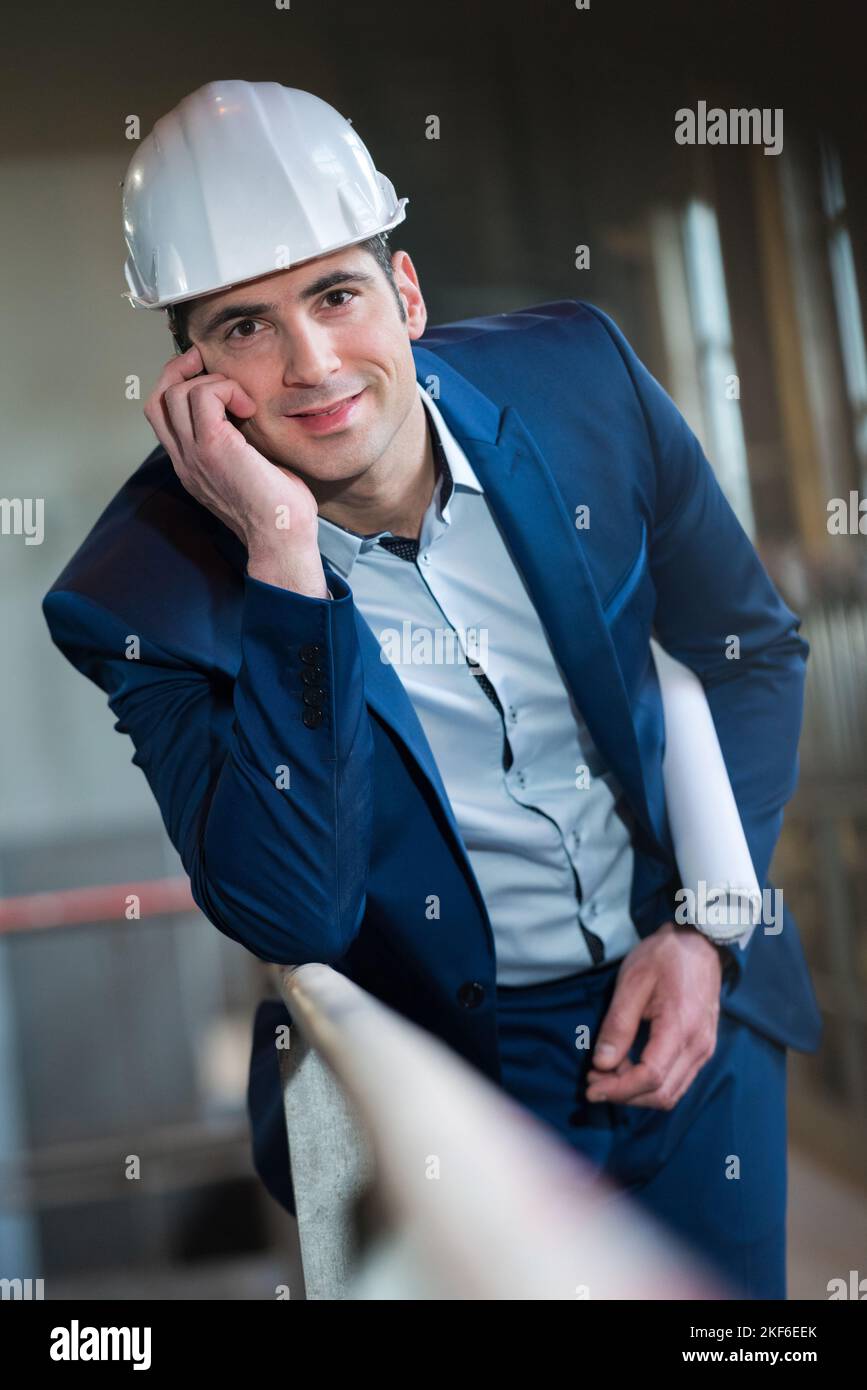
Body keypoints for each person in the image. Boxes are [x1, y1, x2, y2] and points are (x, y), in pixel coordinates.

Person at [43, 79, 822, 1299]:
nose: (309, 364)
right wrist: (283, 559)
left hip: (689, 1009)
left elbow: (749, 647)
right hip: (444, 1070)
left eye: (336, 294)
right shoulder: (141, 595)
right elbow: (292, 913)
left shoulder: (583, 385)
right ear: (191, 375)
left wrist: (710, 929)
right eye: (246, 325)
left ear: (404, 294)